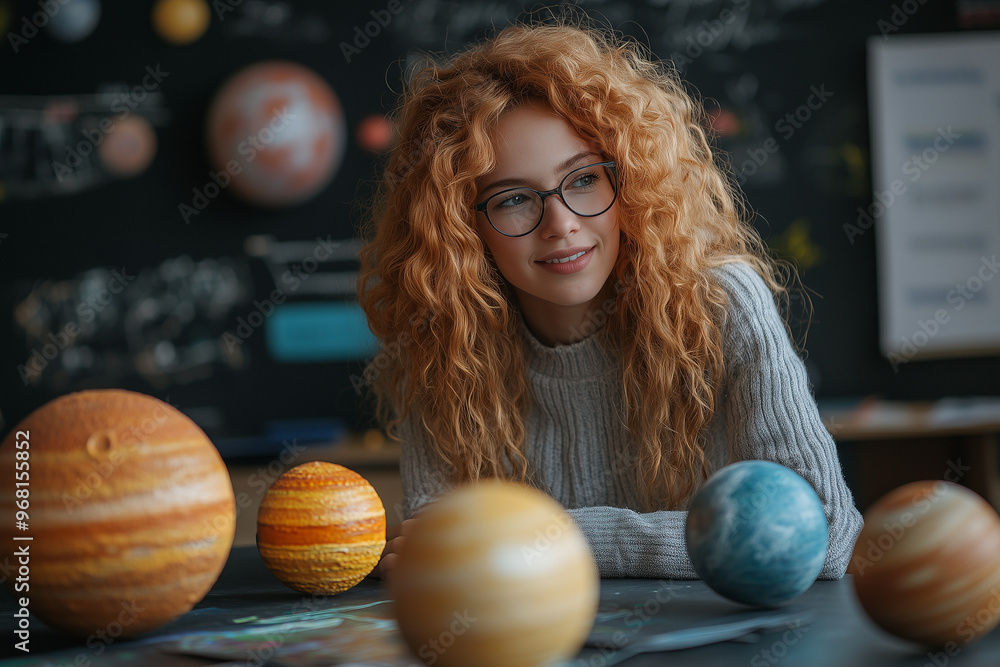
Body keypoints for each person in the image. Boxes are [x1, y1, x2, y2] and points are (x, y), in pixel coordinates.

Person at [356, 13, 863, 580]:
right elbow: (441, 554)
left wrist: (549, 539)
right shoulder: (442, 339)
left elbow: (822, 535)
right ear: (458, 226)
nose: (561, 224)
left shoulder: (722, 304)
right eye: (512, 199)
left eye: (583, 179)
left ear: (631, 181)